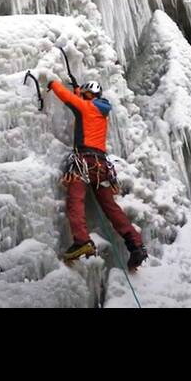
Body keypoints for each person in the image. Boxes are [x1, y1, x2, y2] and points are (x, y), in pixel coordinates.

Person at [43, 75, 148, 271]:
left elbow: (68, 98)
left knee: (75, 200)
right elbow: (81, 104)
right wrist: (79, 92)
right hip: (101, 166)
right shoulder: (101, 111)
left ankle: (82, 240)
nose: (81, 96)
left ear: (88, 94)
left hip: (84, 162)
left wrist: (52, 83)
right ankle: (135, 244)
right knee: (111, 207)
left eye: (84, 94)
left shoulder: (86, 107)